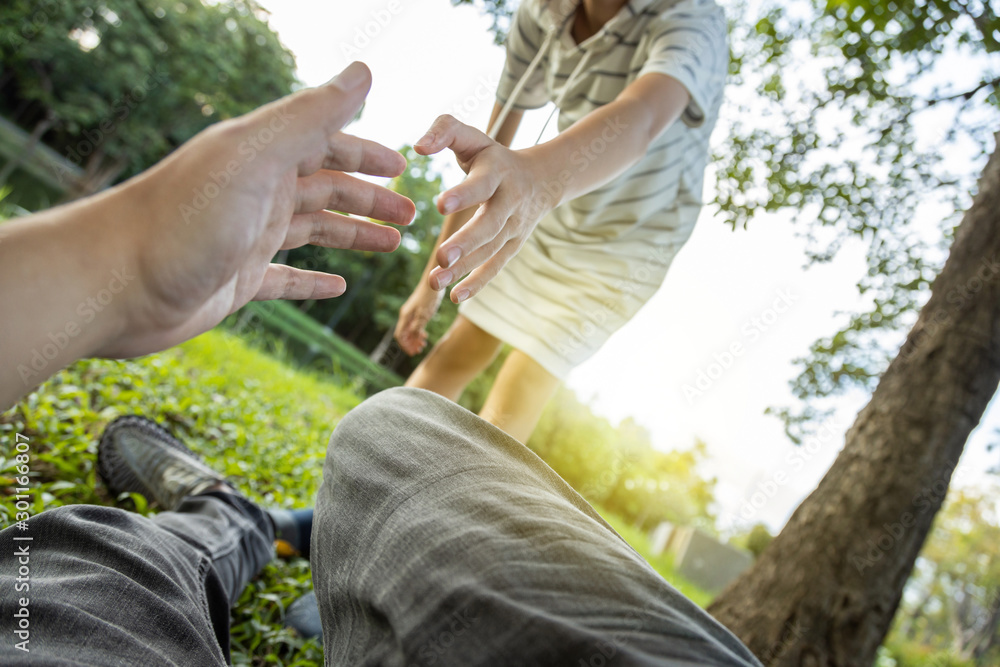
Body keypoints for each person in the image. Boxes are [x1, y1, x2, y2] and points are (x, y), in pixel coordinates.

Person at [0, 63, 760, 665]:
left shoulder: (684, 17)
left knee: (75, 573)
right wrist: (440, 272)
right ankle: (314, 535)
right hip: (537, 212)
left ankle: (290, 547)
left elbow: (651, 107)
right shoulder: (546, 18)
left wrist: (542, 174)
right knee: (410, 414)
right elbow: (500, 133)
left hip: (612, 244)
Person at [394, 0, 727, 443]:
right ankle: (358, 490)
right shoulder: (540, 11)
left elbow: (643, 117)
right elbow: (485, 160)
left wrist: (536, 180)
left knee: (529, 376)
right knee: (461, 344)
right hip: (552, 202)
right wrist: (430, 278)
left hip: (629, 240)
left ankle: (445, 507)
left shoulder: (693, 15)